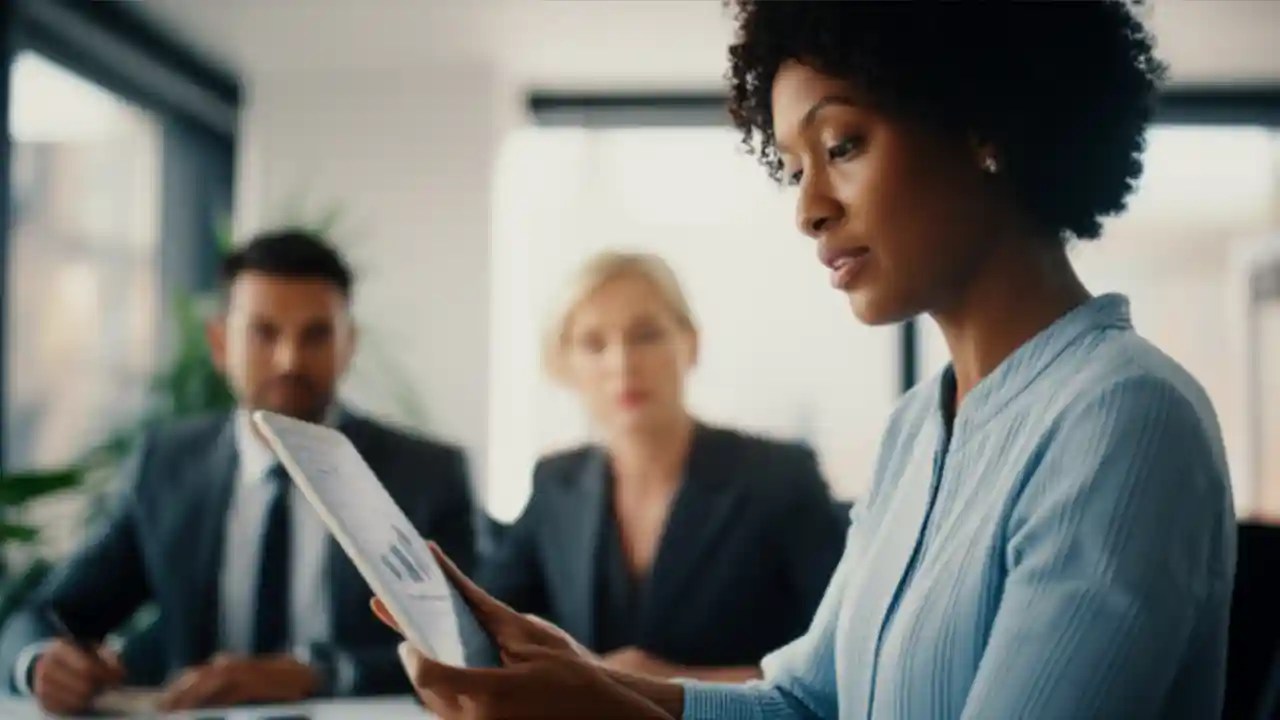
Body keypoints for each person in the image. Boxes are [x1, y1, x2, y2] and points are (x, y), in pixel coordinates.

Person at [380, 2, 1237, 718]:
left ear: (985, 122)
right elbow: (805, 703)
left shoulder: (1123, 417)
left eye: (843, 146)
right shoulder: (917, 428)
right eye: (794, 167)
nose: (809, 210)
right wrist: (588, 684)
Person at [0, 229, 478, 715]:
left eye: (316, 334)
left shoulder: (426, 477)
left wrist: (313, 674)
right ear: (219, 342)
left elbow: (467, 651)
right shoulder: (166, 466)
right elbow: (46, 614)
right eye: (264, 332)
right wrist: (40, 663)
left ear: (349, 343)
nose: (289, 359)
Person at [476, 252, 848, 681]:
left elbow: (842, 662)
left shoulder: (780, 476)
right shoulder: (556, 482)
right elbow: (491, 620)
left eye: (646, 335)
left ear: (690, 344)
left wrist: (670, 686)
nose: (622, 364)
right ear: (565, 365)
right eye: (594, 344)